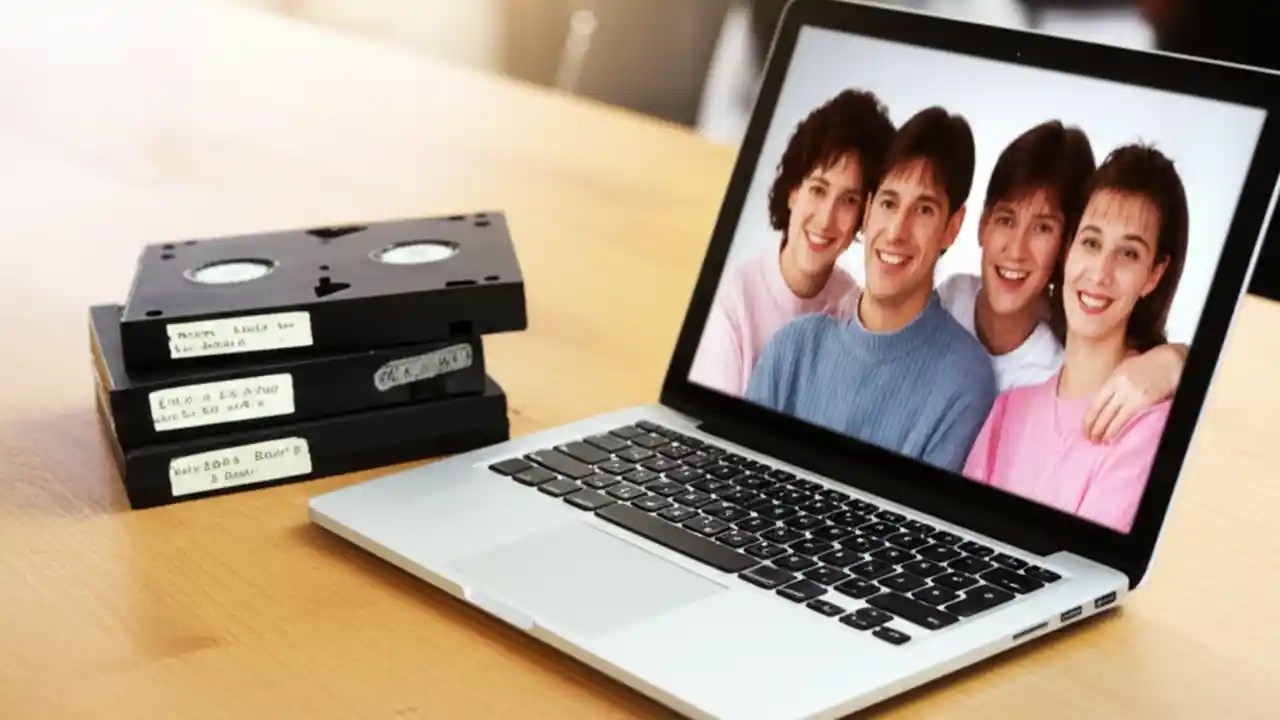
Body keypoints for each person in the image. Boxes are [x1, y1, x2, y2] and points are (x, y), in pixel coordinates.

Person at [746, 107, 995, 472]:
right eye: (889, 202)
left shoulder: (964, 380)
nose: (896, 230)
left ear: (952, 228)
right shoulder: (793, 349)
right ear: (867, 210)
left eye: (923, 210)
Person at [964, 144, 1188, 533]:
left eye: (1129, 254)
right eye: (1091, 242)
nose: (1100, 273)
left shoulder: (1148, 425)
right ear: (1068, 249)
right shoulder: (1008, 411)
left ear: (1154, 274)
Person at [937, 121, 1187, 443]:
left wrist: (1177, 361)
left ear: (1066, 247)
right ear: (982, 224)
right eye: (1006, 219)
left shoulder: (1059, 371)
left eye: (1042, 228)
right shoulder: (951, 297)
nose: (1016, 250)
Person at [689, 89, 895, 396]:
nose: (826, 219)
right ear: (793, 191)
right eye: (818, 190)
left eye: (848, 200)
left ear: (863, 217)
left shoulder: (855, 311)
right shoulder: (736, 299)